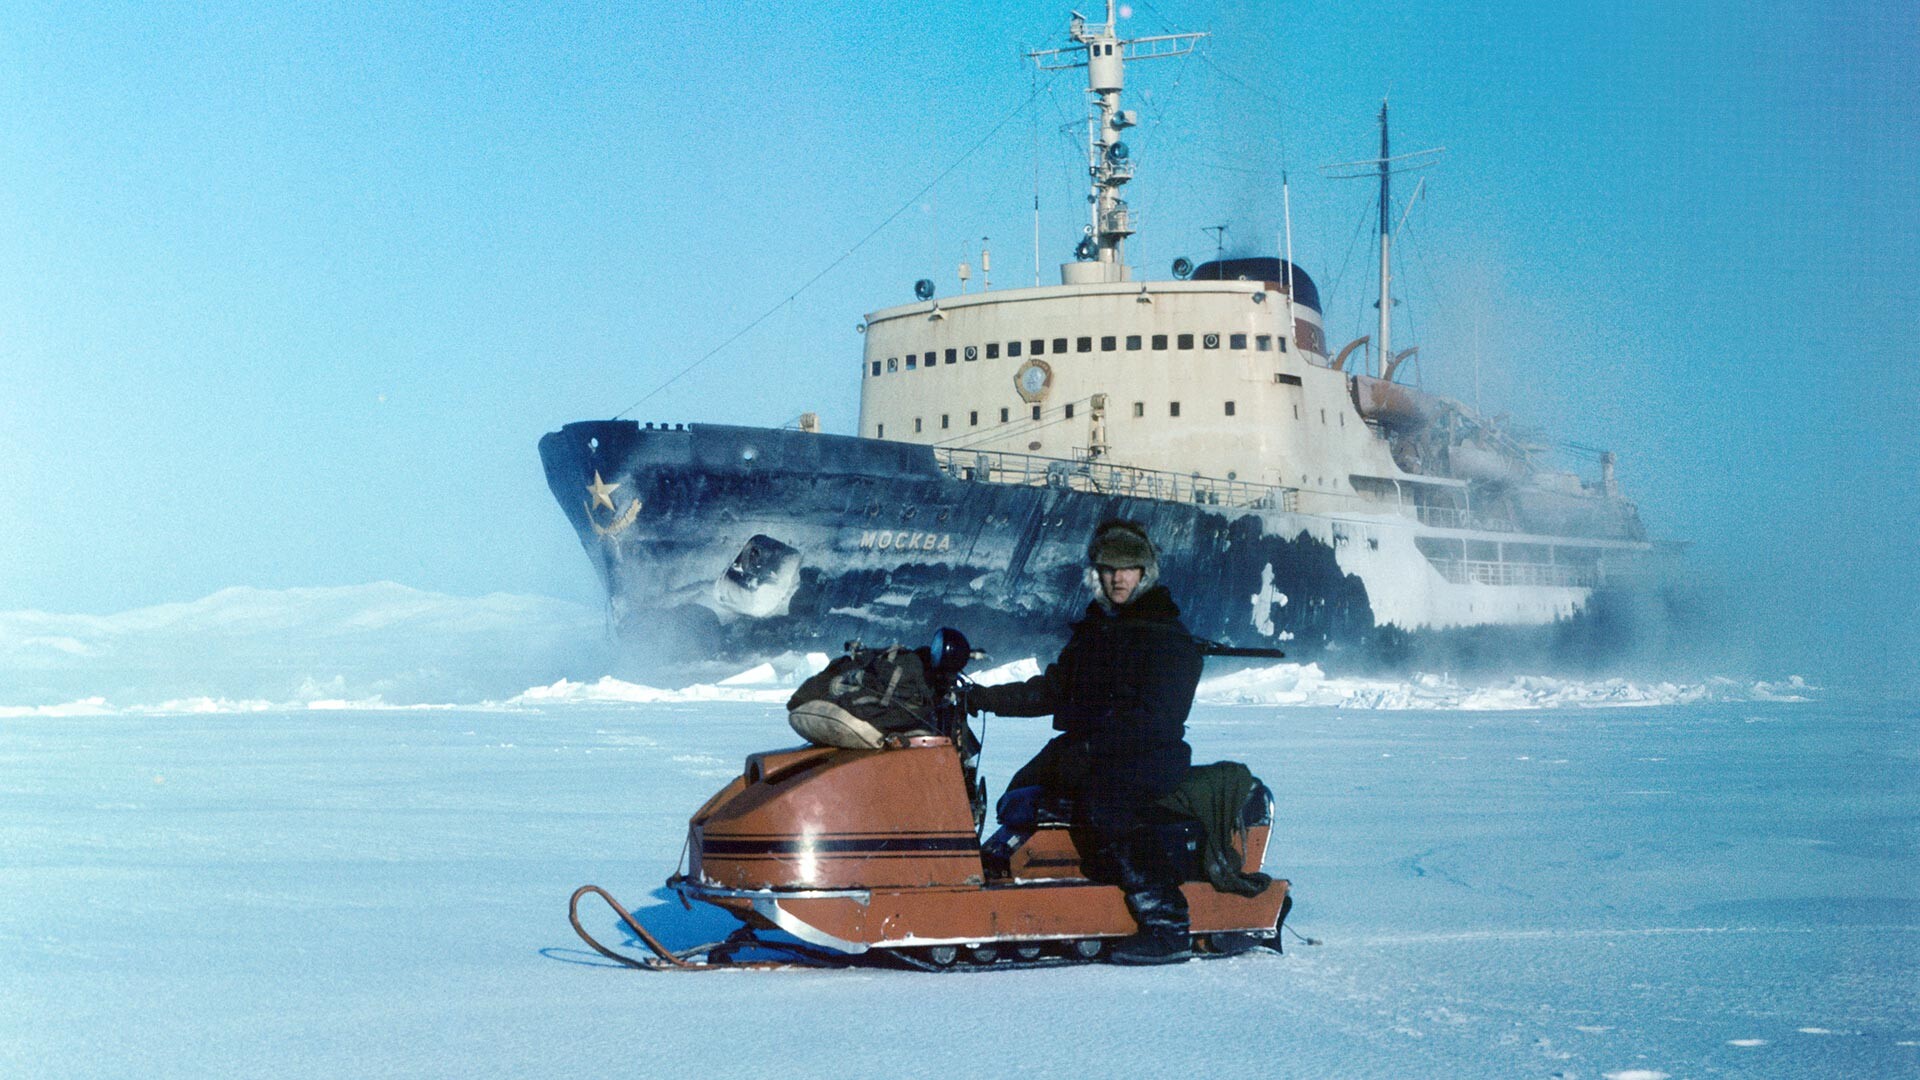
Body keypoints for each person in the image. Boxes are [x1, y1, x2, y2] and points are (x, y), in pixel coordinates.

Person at [968, 519, 1205, 964]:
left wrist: (1093, 749)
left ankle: (1167, 923)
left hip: (1150, 755)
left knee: (1106, 803)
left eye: (1128, 568)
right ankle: (1038, 876)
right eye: (1108, 569)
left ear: (1145, 573)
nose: (1118, 578)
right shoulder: (1096, 633)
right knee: (1023, 790)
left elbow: (1158, 720)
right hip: (1092, 747)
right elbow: (1055, 689)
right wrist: (984, 697)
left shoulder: (1167, 638)